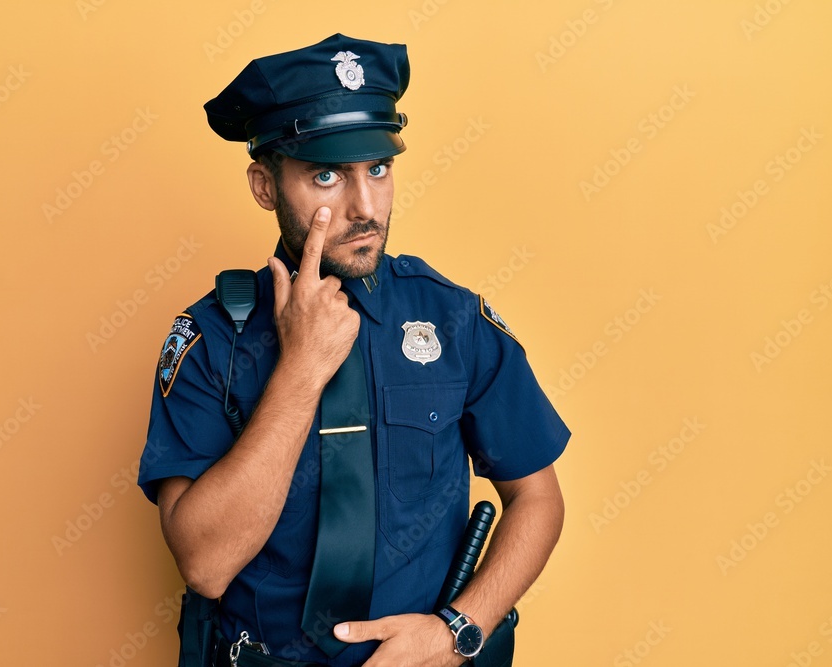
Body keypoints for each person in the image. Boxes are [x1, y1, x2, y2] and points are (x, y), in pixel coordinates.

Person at [137, 33, 570, 667]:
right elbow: (205, 565)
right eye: (325, 175)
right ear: (264, 185)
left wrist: (456, 632)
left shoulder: (452, 318)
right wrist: (302, 370)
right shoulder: (209, 340)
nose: (364, 207)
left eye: (378, 169)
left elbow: (539, 498)